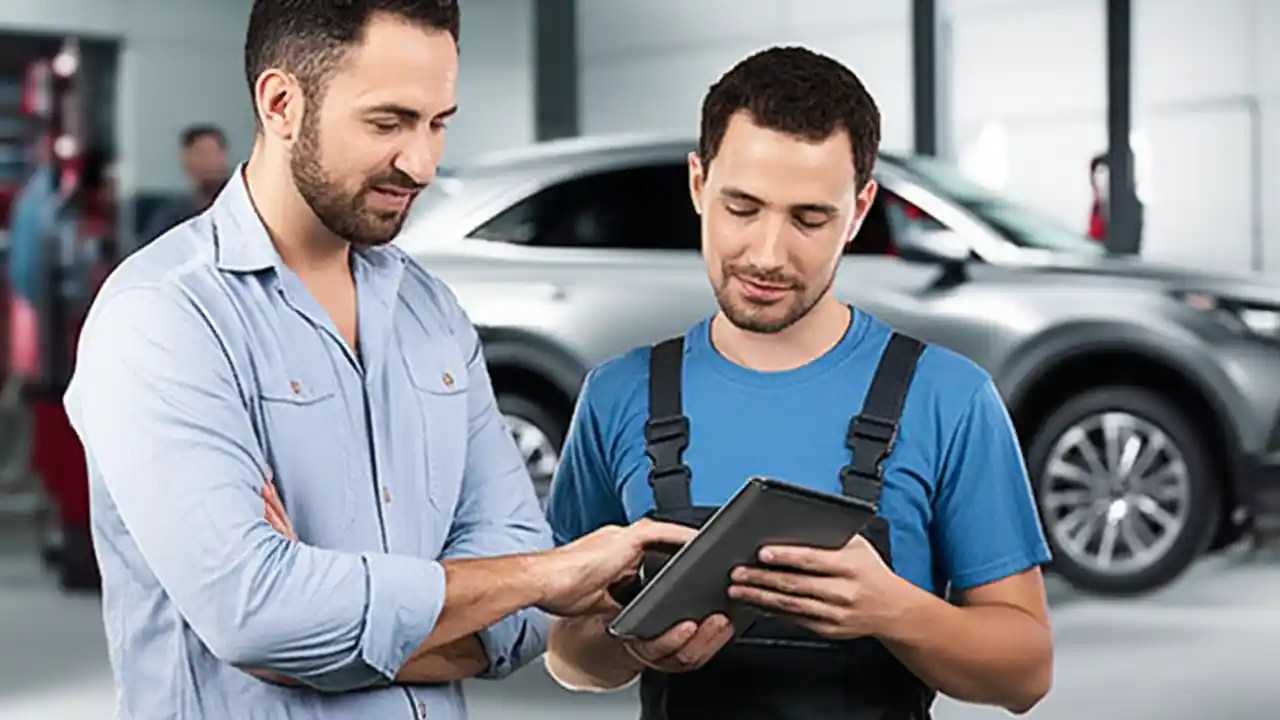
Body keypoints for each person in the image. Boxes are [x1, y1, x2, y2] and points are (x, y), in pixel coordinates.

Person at [63, 2, 691, 718]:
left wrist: (324, 645)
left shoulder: (431, 312)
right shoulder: (164, 316)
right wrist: (536, 575)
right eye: (388, 122)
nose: (422, 162)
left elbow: (523, 626)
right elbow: (258, 613)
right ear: (281, 105)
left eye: (439, 122)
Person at [543, 46, 1055, 719]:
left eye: (808, 219)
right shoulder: (619, 395)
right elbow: (565, 653)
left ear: (859, 210)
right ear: (698, 185)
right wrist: (635, 647)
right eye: (742, 207)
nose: (766, 254)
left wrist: (895, 610)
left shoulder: (949, 397)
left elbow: (1025, 673)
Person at [139, 124, 231, 241]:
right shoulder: (171, 217)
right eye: (201, 154)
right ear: (186, 159)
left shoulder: (241, 207)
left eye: (213, 153)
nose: (209, 161)